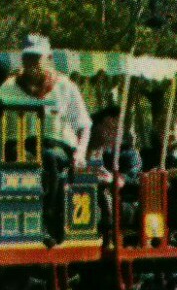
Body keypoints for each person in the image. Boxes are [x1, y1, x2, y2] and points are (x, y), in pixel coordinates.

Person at [8, 33, 91, 169]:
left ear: (48, 58)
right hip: (21, 147)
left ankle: (52, 191)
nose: (31, 63)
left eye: (36, 58)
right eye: (27, 57)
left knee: (49, 156)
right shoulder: (9, 87)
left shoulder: (65, 86)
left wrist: (80, 152)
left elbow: (83, 125)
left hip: (56, 147)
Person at [87, 105, 142, 183]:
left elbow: (132, 176)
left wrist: (114, 179)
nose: (112, 134)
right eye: (108, 128)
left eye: (117, 129)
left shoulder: (128, 154)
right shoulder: (79, 152)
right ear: (95, 127)